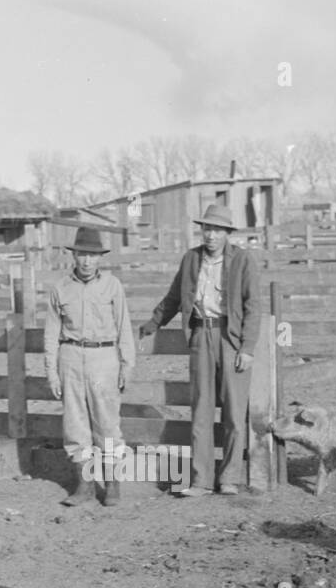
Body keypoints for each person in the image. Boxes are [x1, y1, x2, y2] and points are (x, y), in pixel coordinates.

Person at [138, 202, 259, 496]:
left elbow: (253, 306)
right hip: (200, 337)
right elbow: (173, 298)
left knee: (233, 411)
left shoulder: (243, 261)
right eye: (207, 229)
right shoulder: (191, 259)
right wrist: (152, 325)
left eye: (217, 230)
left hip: (229, 339)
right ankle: (201, 480)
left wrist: (247, 347)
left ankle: (229, 477)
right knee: (201, 410)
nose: (211, 235)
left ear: (227, 233)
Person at [44, 226, 135, 507]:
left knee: (107, 424)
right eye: (82, 255)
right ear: (74, 255)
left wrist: (126, 366)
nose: (86, 261)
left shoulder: (112, 286)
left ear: (100, 258)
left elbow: (124, 329)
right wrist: (52, 373)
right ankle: (84, 487)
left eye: (92, 256)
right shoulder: (60, 288)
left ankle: (112, 486)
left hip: (103, 359)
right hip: (70, 358)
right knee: (76, 427)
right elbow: (51, 334)